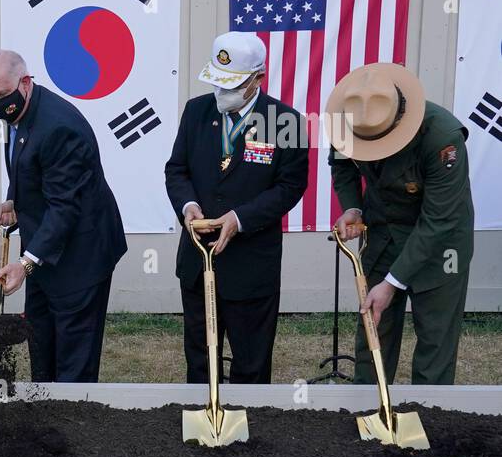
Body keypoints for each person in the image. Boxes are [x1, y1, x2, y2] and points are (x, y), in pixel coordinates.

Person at [164, 31, 309, 384]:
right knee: (200, 358)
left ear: (258, 78)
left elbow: (290, 187)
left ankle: (250, 427)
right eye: (217, 82)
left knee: (251, 362)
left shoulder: (286, 121)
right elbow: (177, 169)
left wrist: (241, 218)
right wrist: (189, 206)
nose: (221, 93)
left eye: (231, 85)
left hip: (250, 265)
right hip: (198, 261)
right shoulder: (196, 111)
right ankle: (202, 417)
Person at [0, 49, 127, 383]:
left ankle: (73, 424)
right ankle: (45, 413)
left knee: (73, 358)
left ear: (25, 83)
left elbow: (65, 207)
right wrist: (13, 201)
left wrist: (26, 264)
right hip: (46, 252)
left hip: (81, 256)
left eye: (1, 94)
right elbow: (34, 173)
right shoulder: (19, 116)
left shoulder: (59, 128)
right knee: (41, 341)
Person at [329, 63, 475, 385]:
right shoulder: (350, 117)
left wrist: (392, 283)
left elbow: (438, 220)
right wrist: (353, 206)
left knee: (435, 343)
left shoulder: (442, 138)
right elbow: (341, 164)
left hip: (441, 246)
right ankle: (367, 411)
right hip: (383, 235)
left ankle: (430, 415)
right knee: (373, 332)